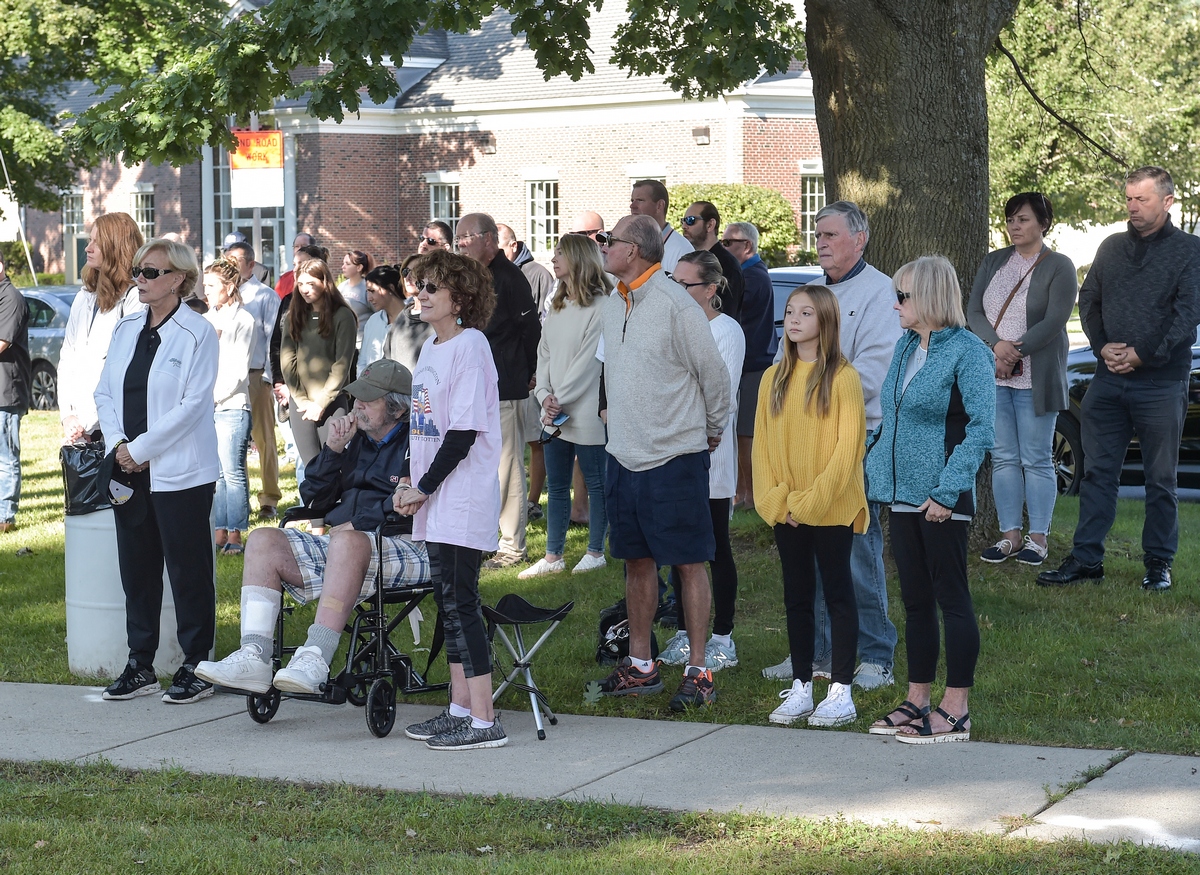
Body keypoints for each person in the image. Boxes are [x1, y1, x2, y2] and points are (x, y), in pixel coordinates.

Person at [195, 360, 430, 695]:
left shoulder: (417, 444)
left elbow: (406, 506)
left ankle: (315, 657)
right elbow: (314, 500)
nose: (357, 404)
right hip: (346, 545)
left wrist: (357, 523)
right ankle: (254, 657)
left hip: (402, 542)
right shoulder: (357, 439)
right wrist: (333, 449)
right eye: (356, 397)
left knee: (347, 540)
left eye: (368, 398)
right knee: (263, 539)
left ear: (396, 407)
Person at [1037, 166, 1200, 593]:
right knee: (1098, 474)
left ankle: (1158, 564)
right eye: (1128, 198)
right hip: (1107, 380)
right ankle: (1087, 559)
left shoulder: (1190, 251)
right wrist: (1102, 345)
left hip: (1162, 382)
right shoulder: (1110, 247)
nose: (1132, 207)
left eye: (1141, 199)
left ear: (1167, 202)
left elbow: (1187, 315)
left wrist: (1143, 354)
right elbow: (1088, 299)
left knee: (1160, 478)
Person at [591, 215, 730, 712]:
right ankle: (641, 663)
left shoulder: (675, 303)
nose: (603, 247)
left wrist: (711, 429)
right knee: (636, 560)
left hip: (675, 455)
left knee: (690, 561)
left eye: (611, 242)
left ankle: (699, 669)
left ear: (635, 251)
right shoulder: (613, 303)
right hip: (623, 456)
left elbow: (713, 375)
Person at [762, 201, 901, 692]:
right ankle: (817, 653)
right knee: (807, 547)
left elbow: (874, 372)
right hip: (802, 442)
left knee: (856, 551)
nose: (820, 242)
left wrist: (811, 393)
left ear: (859, 239)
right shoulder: (814, 293)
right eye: (817, 234)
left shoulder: (880, 292)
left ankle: (876, 655)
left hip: (854, 437)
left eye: (830, 234)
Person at [865, 255, 994, 744]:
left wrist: (947, 490)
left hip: (941, 499)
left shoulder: (969, 352)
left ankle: (956, 708)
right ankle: (918, 698)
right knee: (916, 602)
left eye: (903, 296)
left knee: (951, 599)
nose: (895, 304)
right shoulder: (904, 347)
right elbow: (891, 422)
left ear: (931, 298)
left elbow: (981, 429)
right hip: (901, 496)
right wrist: (874, 474)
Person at [94, 238, 221, 704]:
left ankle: (197, 664)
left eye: (150, 272)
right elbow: (105, 392)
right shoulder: (126, 328)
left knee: (188, 571)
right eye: (137, 270)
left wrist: (143, 448)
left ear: (179, 280)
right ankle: (139, 663)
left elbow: (193, 406)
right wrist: (121, 448)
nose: (139, 280)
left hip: (181, 473)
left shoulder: (197, 333)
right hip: (128, 470)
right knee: (137, 570)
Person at [394, 249, 507, 750]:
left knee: (462, 603)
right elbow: (421, 426)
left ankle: (485, 721)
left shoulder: (471, 346)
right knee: (448, 603)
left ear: (458, 298)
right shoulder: (431, 349)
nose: (420, 294)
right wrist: (405, 479)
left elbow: (462, 433)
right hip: (433, 495)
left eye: (431, 288)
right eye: (419, 286)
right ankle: (460, 709)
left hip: (459, 496)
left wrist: (425, 487)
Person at [754, 285, 866, 727]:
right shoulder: (772, 378)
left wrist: (811, 502)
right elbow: (761, 449)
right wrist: (779, 503)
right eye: (789, 312)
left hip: (832, 505)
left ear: (825, 322)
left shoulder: (843, 378)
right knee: (796, 595)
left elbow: (847, 450)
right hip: (787, 509)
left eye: (806, 312)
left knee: (838, 593)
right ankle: (802, 686)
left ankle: (841, 690)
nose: (794, 319)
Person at [967, 192, 1077, 567]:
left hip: (1035, 376)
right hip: (994, 374)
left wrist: (1015, 351)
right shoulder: (994, 261)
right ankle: (1009, 536)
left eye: (1024, 219)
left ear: (1043, 223)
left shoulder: (1060, 266)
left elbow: (1055, 319)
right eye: (1011, 219)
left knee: (1036, 459)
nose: (1015, 226)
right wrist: (996, 346)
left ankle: (1038, 539)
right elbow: (974, 309)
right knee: (1003, 459)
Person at [656, 251, 745, 670]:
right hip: (674, 451)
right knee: (680, 548)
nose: (676, 291)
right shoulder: (673, 326)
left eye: (684, 285)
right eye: (672, 283)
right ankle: (684, 631)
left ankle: (723, 636)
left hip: (710, 454)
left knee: (714, 548)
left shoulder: (726, 331)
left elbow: (717, 396)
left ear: (710, 290)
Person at [518, 233, 612, 579]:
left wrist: (559, 400)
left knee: (596, 483)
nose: (553, 259)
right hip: (553, 411)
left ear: (579, 260)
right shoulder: (557, 304)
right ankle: (553, 556)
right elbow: (544, 354)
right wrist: (544, 395)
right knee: (556, 486)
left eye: (560, 253)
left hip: (584, 411)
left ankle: (595, 551)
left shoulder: (602, 306)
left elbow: (590, 363)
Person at [454, 212, 540, 569]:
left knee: (507, 467)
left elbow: (530, 329)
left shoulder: (510, 278)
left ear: (489, 239)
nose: (460, 244)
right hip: (477, 384)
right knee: (484, 467)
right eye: (458, 239)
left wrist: (529, 371)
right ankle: (488, 537)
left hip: (504, 384)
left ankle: (512, 547)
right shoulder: (473, 277)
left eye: (466, 237)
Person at [279, 258, 357, 526]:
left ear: (325, 282)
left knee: (335, 466)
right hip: (301, 405)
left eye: (311, 283)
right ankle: (316, 527)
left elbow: (342, 365)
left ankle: (339, 524)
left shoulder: (343, 316)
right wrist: (301, 400)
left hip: (333, 403)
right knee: (312, 469)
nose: (304, 289)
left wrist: (321, 402)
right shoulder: (293, 315)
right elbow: (286, 360)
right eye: (300, 284)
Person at [59, 212, 145, 443]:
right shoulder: (84, 296)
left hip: (116, 428)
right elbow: (68, 358)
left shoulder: (135, 298)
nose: (88, 248)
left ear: (116, 247)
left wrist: (89, 422)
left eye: (97, 242)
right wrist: (68, 415)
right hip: (79, 427)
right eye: (89, 240)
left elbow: (123, 367)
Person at [496, 223, 556, 520]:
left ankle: (531, 500)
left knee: (533, 439)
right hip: (511, 376)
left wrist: (534, 370)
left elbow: (537, 326)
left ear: (514, 245)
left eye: (501, 246)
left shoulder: (535, 275)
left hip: (527, 375)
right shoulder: (491, 275)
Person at [224, 241, 282, 518]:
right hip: (226, 378)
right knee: (233, 440)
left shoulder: (265, 296)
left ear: (251, 264)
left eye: (237, 260)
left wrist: (271, 378)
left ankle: (269, 498)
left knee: (263, 437)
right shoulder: (222, 295)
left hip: (256, 374)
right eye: (228, 259)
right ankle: (238, 499)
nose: (232, 265)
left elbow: (273, 339)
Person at [203, 258, 256, 555]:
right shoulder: (207, 319)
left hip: (232, 406)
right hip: (208, 406)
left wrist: (213, 397)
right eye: (204, 285)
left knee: (233, 472)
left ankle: (236, 534)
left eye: (211, 286)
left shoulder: (243, 320)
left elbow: (238, 372)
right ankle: (219, 531)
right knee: (218, 474)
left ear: (229, 287)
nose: (205, 290)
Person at [723, 221, 777, 510]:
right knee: (739, 432)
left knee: (746, 433)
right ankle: (742, 492)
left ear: (747, 246)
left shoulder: (752, 278)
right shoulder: (750, 275)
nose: (724, 247)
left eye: (729, 243)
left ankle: (751, 495)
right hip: (746, 365)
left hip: (752, 367)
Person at [0, 253, 30, 533]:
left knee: (6, 456)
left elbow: (2, 342)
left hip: (6, 391)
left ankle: (5, 517)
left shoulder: (11, 298)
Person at [680, 201, 744, 318]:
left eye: (691, 220)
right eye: (683, 221)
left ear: (710, 225)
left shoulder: (728, 265)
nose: (684, 226)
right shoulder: (690, 259)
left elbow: (726, 314)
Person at [384, 256, 435, 372]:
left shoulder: (438, 318)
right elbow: (387, 356)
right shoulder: (403, 315)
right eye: (405, 271)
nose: (408, 277)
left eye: (416, 271)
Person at [629, 180, 692, 271]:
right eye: (632, 200)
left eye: (640, 200)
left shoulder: (682, 250)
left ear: (659, 206)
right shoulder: (629, 245)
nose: (632, 205)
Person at [359, 263, 405, 375]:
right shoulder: (373, 321)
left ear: (390, 288)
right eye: (367, 292)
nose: (369, 298)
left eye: (372, 291)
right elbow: (363, 361)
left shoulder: (412, 321)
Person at [338, 249, 376, 333]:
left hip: (363, 339)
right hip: (345, 338)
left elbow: (380, 314)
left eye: (347, 264)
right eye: (343, 263)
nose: (343, 267)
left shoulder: (368, 288)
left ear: (359, 267)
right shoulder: (341, 287)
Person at [274, 232, 315, 300]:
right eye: (296, 246)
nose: (299, 249)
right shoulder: (284, 279)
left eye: (304, 246)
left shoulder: (320, 279)